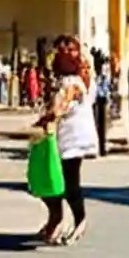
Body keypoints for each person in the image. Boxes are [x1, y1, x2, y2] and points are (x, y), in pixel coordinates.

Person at [36, 36, 98, 245]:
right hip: (60, 137)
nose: (62, 53)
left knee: (70, 183)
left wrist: (50, 115)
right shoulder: (61, 80)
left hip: (73, 139)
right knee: (52, 181)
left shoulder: (74, 81)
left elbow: (63, 104)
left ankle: (80, 221)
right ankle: (56, 218)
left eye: (68, 50)